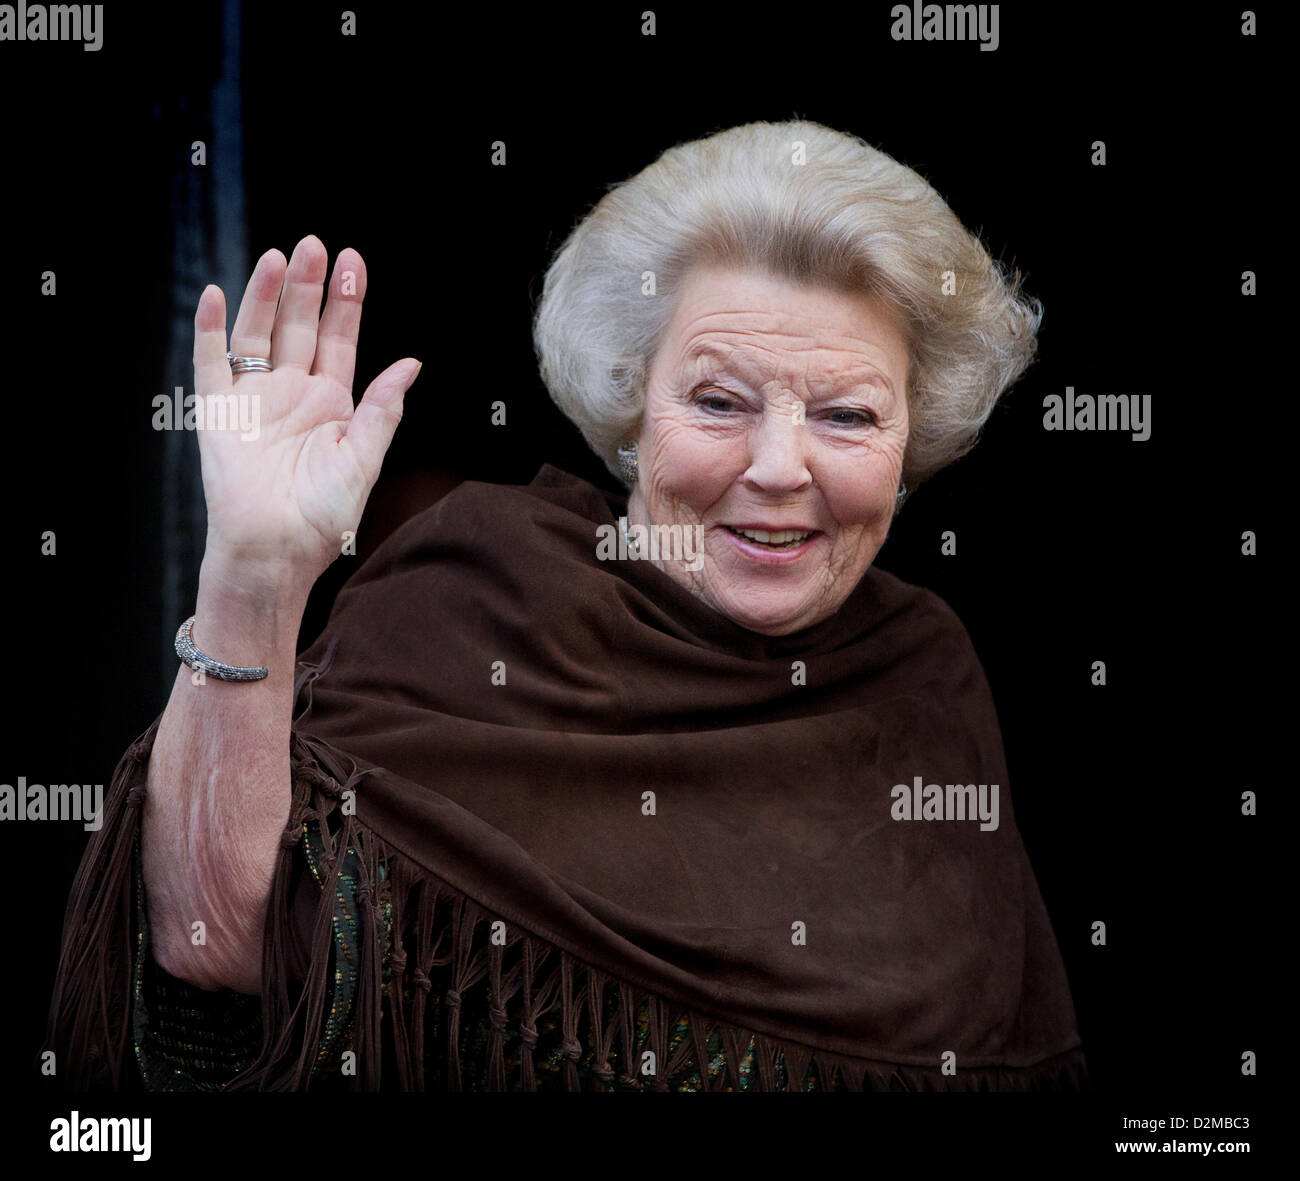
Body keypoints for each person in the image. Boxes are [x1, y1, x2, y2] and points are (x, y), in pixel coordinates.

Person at [47, 119, 1085, 1091]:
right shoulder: (476, 589)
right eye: (718, 400)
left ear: (916, 444)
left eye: (847, 415)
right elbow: (212, 941)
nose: (778, 467)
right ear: (632, 404)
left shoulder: (922, 675)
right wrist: (255, 574)